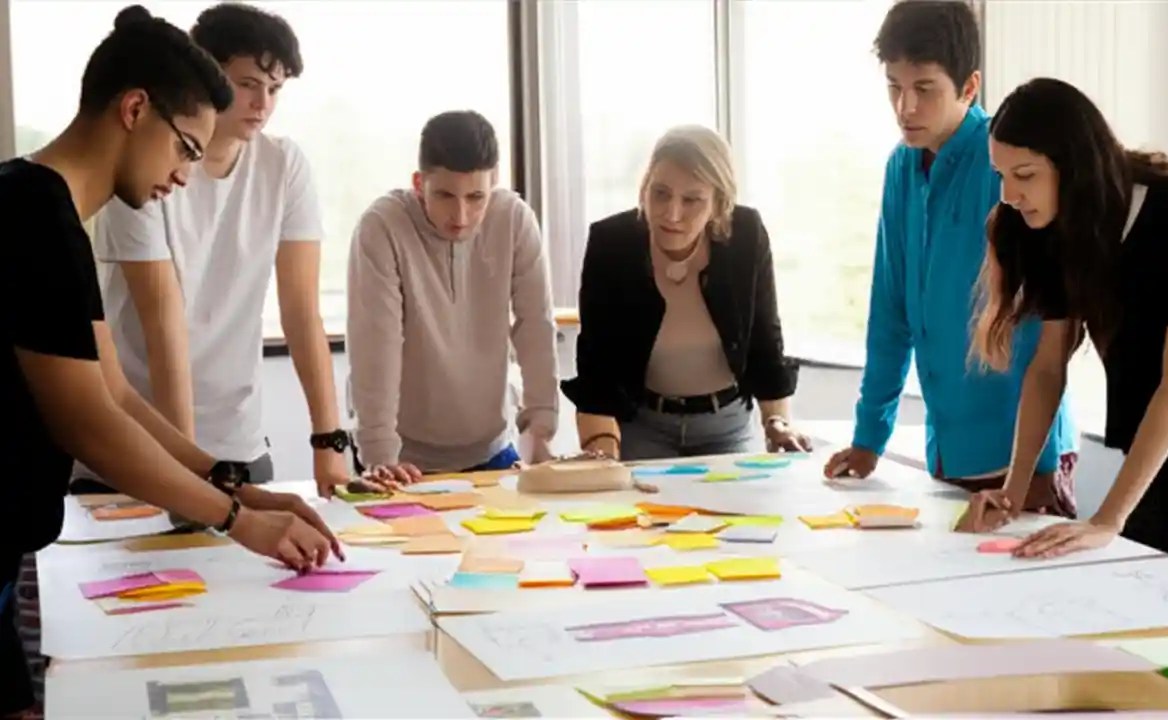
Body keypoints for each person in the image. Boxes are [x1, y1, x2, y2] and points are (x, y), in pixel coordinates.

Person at [1, 7, 341, 717]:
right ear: (134, 109)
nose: (186, 175)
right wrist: (233, 518)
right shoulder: (29, 215)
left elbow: (117, 390)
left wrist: (232, 482)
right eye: (186, 147)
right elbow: (88, 424)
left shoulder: (50, 211)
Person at [959, 77, 1168, 585]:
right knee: (1147, 625)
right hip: (1156, 459)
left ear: (1076, 168)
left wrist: (1109, 517)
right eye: (1000, 174)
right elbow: (1047, 367)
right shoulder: (1047, 229)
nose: (1009, 194)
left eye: (1024, 174)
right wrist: (1013, 490)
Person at [81, 2, 354, 498]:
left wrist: (328, 441)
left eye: (275, 89)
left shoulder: (285, 165)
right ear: (207, 73)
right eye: (248, 84)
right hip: (137, 445)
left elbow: (301, 313)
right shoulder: (146, 160)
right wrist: (188, 470)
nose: (263, 104)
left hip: (240, 446)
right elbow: (163, 325)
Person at [822, 0, 1078, 518]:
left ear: (969, 86)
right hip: (947, 453)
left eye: (924, 89)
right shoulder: (900, 168)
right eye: (894, 87)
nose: (905, 108)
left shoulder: (1007, 166)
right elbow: (891, 312)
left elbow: (1048, 327)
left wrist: (1040, 467)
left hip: (1024, 457)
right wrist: (870, 435)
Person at [561, 125, 811, 461]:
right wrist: (602, 450)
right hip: (642, 425)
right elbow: (597, 367)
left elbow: (764, 341)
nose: (671, 213)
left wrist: (777, 423)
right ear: (645, 186)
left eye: (691, 200)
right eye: (660, 193)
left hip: (726, 426)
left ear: (719, 203)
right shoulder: (612, 243)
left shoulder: (745, 236)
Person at [346, 110, 558, 479]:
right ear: (418, 183)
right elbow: (375, 345)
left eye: (477, 196)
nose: (461, 215)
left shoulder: (514, 219)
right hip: (402, 459)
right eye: (444, 195)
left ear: (494, 183)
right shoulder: (381, 228)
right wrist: (379, 454)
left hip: (493, 448)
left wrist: (540, 426)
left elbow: (535, 325)